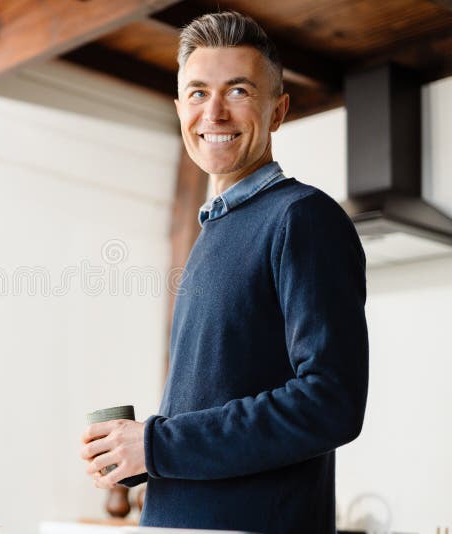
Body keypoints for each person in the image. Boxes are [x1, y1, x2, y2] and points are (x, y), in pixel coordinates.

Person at [80, 11, 368, 534]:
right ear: (179, 109)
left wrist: (156, 443)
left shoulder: (302, 218)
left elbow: (331, 403)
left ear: (277, 111)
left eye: (238, 91)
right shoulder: (214, 232)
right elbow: (212, 404)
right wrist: (139, 455)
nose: (213, 112)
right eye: (197, 93)